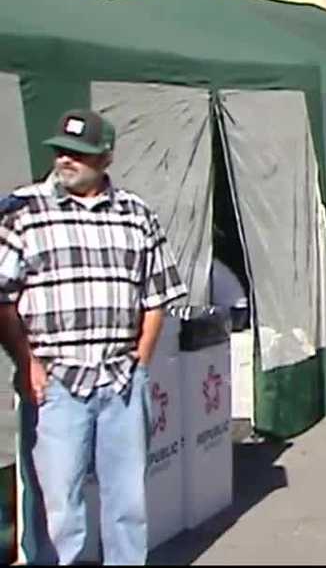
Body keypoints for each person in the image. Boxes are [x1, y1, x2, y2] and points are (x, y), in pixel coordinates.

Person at [0, 109, 187, 565]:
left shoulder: (136, 214)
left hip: (120, 380)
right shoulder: (22, 211)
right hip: (57, 384)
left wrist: (141, 362)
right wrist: (28, 365)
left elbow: (156, 296)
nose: (65, 160)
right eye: (61, 151)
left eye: (78, 154)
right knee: (58, 505)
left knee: (127, 505)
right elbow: (2, 299)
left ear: (106, 157)